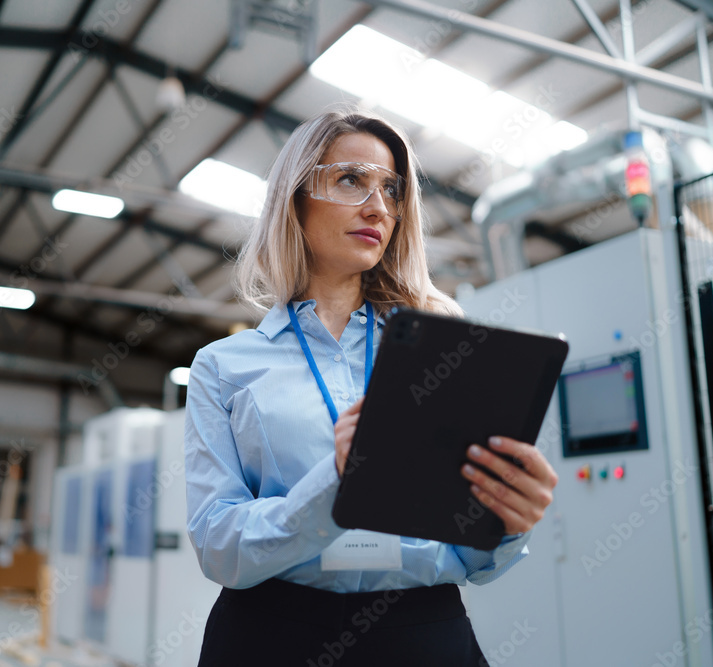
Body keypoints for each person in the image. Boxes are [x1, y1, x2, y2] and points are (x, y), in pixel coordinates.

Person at [183, 106, 559, 666]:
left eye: (391, 189)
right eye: (352, 180)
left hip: (422, 633)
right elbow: (218, 545)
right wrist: (335, 482)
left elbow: (471, 555)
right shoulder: (224, 366)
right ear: (296, 198)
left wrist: (507, 525)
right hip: (272, 634)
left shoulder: (445, 354)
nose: (379, 207)